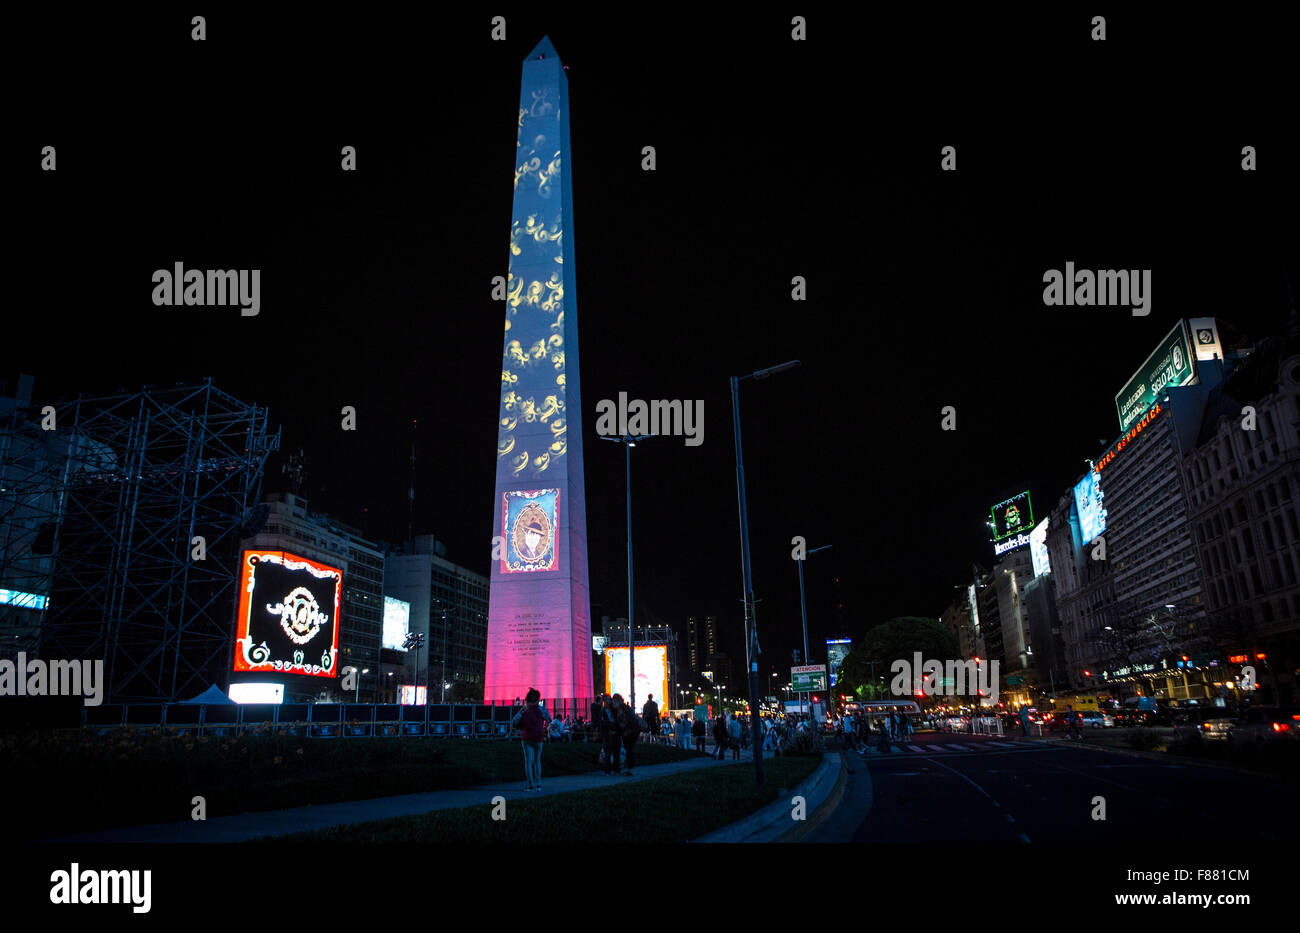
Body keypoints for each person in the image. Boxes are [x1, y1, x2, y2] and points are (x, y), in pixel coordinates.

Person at [509, 687, 552, 791]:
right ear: (538, 699)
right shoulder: (541, 709)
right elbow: (549, 719)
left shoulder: (524, 709)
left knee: (528, 761)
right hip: (539, 737)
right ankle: (538, 784)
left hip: (527, 737)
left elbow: (514, 720)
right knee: (537, 761)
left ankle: (530, 784)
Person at [614, 693, 641, 775]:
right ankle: (629, 768)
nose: (614, 703)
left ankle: (630, 768)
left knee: (629, 750)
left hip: (630, 732)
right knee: (628, 750)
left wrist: (627, 730)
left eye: (615, 701)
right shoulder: (619, 710)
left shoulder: (624, 709)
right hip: (626, 732)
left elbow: (632, 721)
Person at [600, 695, 621, 774]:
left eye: (609, 700)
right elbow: (603, 723)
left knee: (616, 753)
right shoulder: (602, 711)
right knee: (608, 753)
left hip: (616, 734)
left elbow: (619, 721)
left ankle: (616, 769)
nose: (608, 701)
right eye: (606, 700)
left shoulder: (615, 710)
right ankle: (607, 770)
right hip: (608, 734)